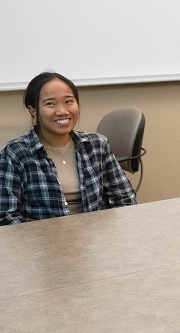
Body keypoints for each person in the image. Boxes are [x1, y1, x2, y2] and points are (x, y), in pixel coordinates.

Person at [0, 72, 136, 225]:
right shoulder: (15, 153)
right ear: (33, 111)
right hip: (43, 244)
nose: (62, 111)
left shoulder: (97, 146)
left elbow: (125, 200)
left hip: (98, 240)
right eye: (50, 103)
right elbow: (6, 217)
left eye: (69, 101)